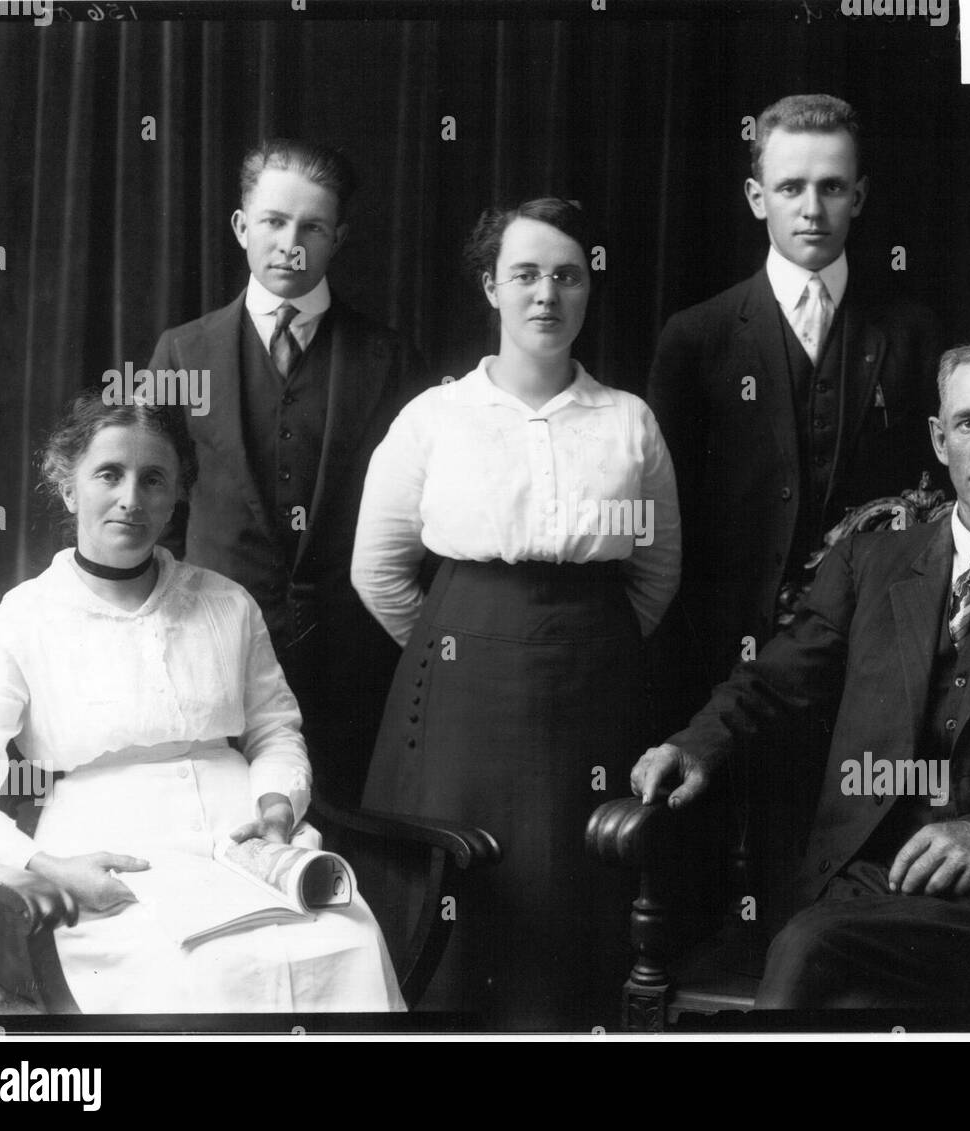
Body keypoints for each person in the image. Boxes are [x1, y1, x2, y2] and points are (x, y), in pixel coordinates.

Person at [631, 342, 970, 1011]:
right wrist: (696, 743)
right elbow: (776, 681)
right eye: (967, 422)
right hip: (859, 880)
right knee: (841, 987)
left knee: (813, 949)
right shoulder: (869, 563)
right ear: (938, 438)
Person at [0, 393, 404, 1014]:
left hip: (247, 843)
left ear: (176, 497)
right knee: (205, 977)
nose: (131, 499)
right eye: (109, 474)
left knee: (349, 945)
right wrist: (49, 865)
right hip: (113, 860)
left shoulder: (226, 602)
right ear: (68, 488)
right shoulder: (24, 619)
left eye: (154, 479)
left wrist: (277, 806)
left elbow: (275, 731)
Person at [351, 197, 681, 1030]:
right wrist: (457, 643)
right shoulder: (434, 417)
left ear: (588, 292)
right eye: (525, 275)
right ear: (490, 288)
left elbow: (655, 572)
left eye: (567, 277)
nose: (547, 294)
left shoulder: (629, 422)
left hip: (592, 689)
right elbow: (379, 572)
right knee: (458, 910)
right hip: (457, 688)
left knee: (576, 904)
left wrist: (584, 643)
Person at [645, 93, 944, 892]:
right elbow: (665, 519)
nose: (812, 208)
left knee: (846, 869)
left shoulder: (914, 331)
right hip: (730, 653)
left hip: (874, 651)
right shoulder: (696, 335)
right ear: (756, 198)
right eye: (790, 188)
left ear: (860, 196)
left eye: (833, 187)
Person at [147, 139, 428, 808]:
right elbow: (159, 514)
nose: (290, 243)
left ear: (340, 239)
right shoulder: (181, 352)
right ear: (243, 227)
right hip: (213, 656)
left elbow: (419, 524)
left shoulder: (389, 358)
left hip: (356, 668)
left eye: (312, 227)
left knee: (351, 853)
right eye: (273, 221)